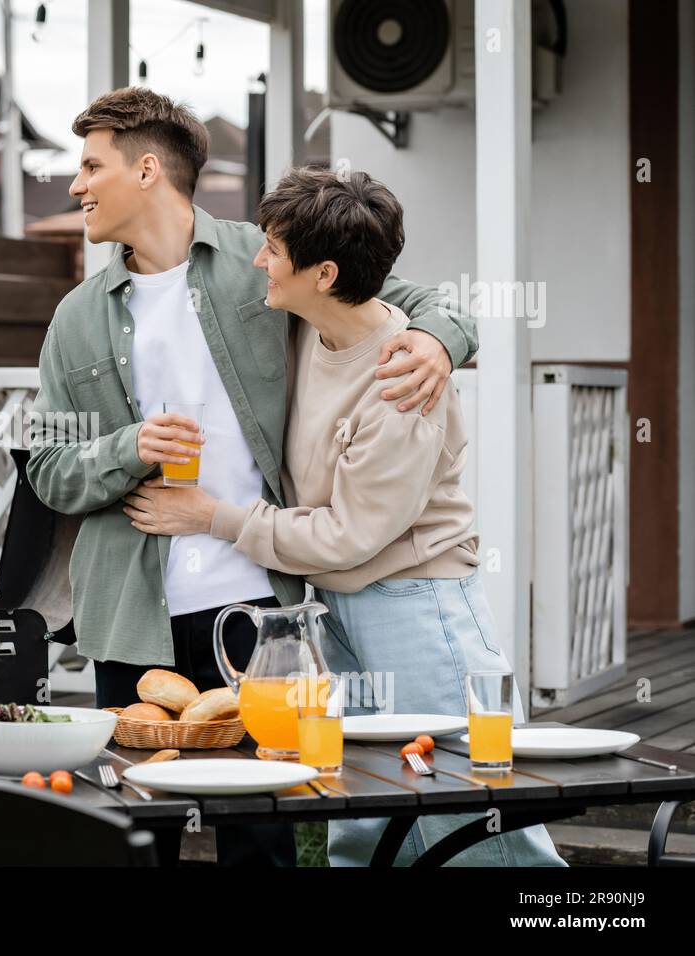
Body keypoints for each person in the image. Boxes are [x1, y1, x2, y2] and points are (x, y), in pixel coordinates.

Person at [26, 87, 477, 867]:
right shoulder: (77, 317)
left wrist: (441, 340)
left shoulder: (264, 261)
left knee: (262, 833)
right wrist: (129, 447)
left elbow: (409, 301)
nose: (76, 185)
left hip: (259, 609)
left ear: (146, 171)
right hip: (131, 615)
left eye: (92, 166)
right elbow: (47, 469)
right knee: (132, 834)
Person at [120, 165, 566, 866]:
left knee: (477, 828)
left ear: (324, 275)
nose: (258, 262)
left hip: (417, 609)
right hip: (338, 608)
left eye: (273, 250)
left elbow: (345, 536)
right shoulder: (304, 327)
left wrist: (214, 517)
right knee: (363, 818)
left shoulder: (398, 383)